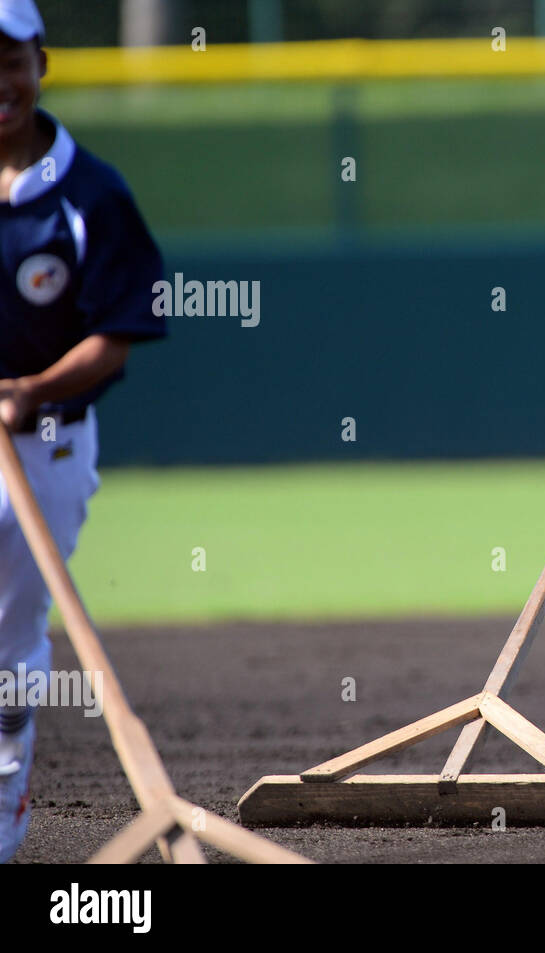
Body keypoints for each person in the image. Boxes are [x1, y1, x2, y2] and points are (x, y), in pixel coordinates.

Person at [0, 0, 166, 861]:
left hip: (46, 447)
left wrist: (32, 389)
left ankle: (0, 817)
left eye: (11, 59)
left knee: (11, 644)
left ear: (41, 63)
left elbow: (123, 331)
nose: (0, 80)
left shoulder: (88, 192)